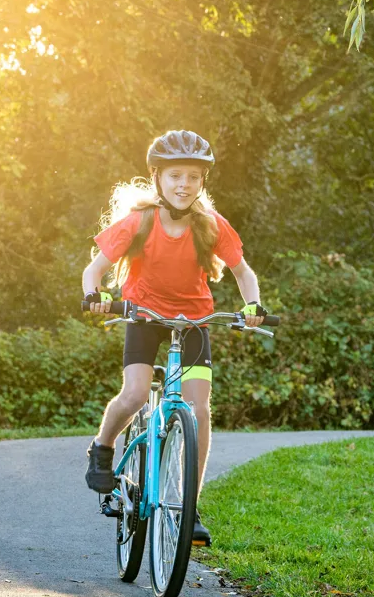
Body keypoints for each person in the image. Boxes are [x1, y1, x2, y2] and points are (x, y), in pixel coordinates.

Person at [81, 129, 268, 547]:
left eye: (193, 177)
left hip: (195, 321)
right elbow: (94, 270)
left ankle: (189, 507)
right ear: (158, 178)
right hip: (144, 315)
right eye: (175, 175)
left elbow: (243, 273)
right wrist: (95, 296)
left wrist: (253, 305)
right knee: (135, 394)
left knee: (198, 411)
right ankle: (102, 447)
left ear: (203, 181)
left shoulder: (210, 224)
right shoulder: (140, 221)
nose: (184, 184)